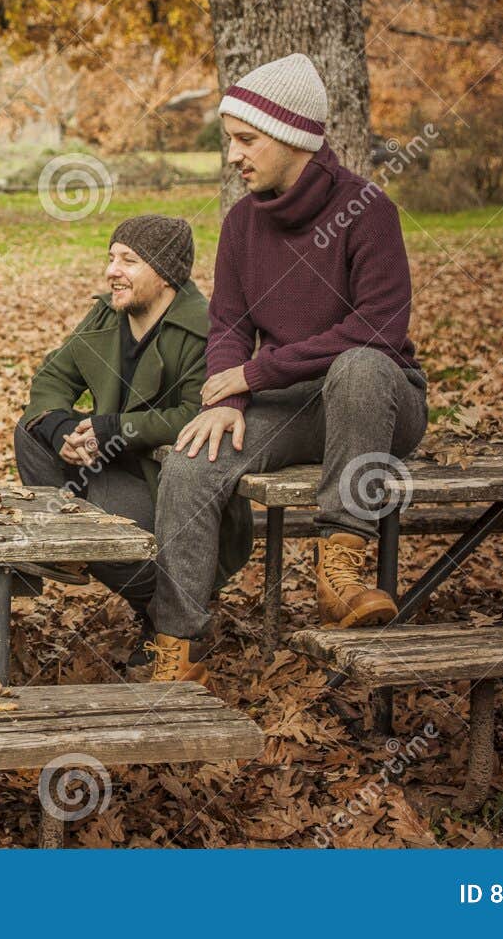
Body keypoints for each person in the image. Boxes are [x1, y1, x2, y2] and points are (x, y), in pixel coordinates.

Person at [149, 54, 428, 686]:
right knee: (190, 463)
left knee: (359, 366)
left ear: (293, 136)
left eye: (246, 140)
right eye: (231, 140)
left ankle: (340, 568)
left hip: (382, 402)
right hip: (296, 404)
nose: (233, 155)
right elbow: (228, 326)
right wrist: (227, 400)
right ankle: (178, 649)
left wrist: (257, 375)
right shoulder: (242, 224)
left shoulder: (368, 210)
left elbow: (379, 330)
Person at [15, 216, 250, 662]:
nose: (112, 271)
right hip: (107, 467)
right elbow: (52, 378)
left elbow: (197, 412)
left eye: (129, 260)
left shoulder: (204, 328)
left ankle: (162, 611)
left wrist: (113, 429)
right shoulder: (108, 314)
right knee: (32, 433)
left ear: (165, 273)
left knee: (102, 517)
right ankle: (70, 547)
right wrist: (62, 430)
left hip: (168, 487)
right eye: (111, 258)